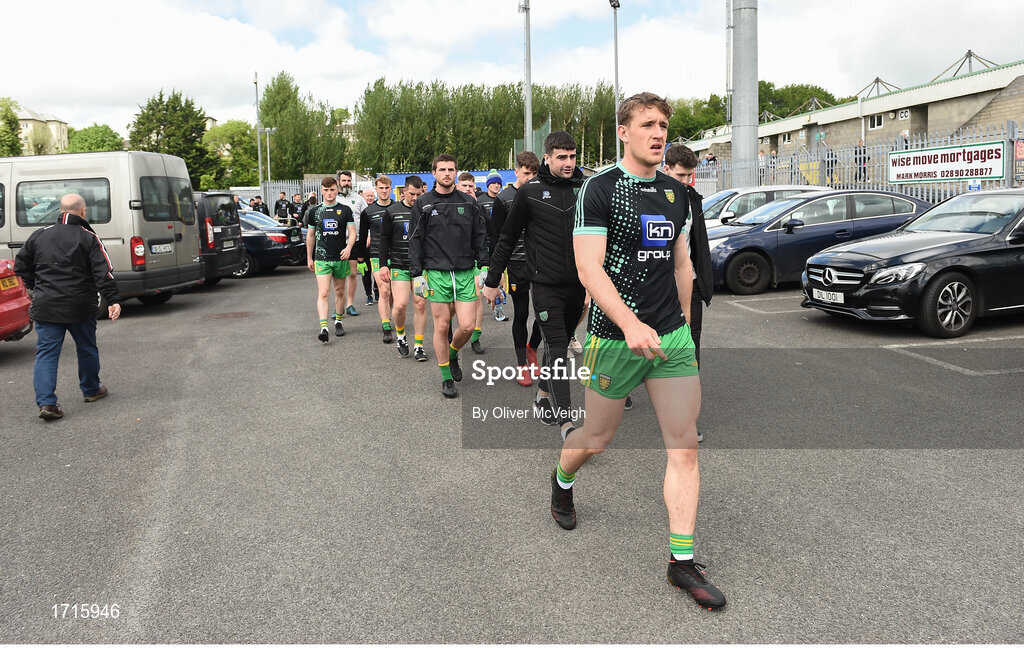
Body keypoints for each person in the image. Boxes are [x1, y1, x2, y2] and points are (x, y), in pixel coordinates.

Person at [550, 92, 725, 610]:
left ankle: (681, 562)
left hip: (669, 336)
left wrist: (685, 332)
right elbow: (589, 268)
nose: (658, 132)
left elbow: (680, 266)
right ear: (623, 131)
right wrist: (629, 325)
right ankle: (562, 479)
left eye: (664, 124)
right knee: (596, 438)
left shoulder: (677, 195)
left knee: (684, 443)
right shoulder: (599, 189)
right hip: (613, 337)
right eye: (648, 123)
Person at [481, 131, 586, 440]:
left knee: (559, 345)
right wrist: (491, 280)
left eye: (572, 156)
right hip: (544, 285)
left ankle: (542, 395)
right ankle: (567, 424)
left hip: (577, 286)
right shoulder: (530, 192)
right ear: (548, 157)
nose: (568, 163)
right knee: (557, 349)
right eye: (562, 157)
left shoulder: (585, 189)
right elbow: (507, 238)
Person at [14, 194, 122, 421]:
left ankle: (47, 403)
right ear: (82, 212)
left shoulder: (38, 235)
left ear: (60, 211)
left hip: (47, 306)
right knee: (86, 348)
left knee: (46, 353)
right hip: (80, 306)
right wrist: (112, 300)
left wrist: (36, 286)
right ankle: (91, 390)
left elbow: (21, 265)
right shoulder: (88, 237)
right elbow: (104, 272)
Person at [409, 154, 489, 399]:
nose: (447, 173)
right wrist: (417, 274)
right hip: (436, 273)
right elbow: (415, 240)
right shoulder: (423, 203)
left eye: (451, 169)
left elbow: (480, 236)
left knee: (466, 325)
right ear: (433, 173)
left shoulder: (468, 201)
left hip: (465, 272)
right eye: (442, 169)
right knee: (442, 326)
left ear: (456, 172)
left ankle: (453, 353)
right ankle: (446, 378)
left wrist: (484, 267)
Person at [663, 144, 713, 444]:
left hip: (689, 284)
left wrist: (704, 281)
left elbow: (699, 243)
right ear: (665, 168)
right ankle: (622, 385)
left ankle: (686, 420)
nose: (685, 181)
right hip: (653, 286)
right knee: (638, 344)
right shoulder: (648, 196)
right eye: (680, 175)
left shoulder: (694, 199)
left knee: (689, 350)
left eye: (690, 176)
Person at [488, 152, 544, 386]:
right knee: (521, 313)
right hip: (516, 264)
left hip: (541, 263)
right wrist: (497, 271)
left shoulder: (543, 194)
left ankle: (532, 348)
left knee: (544, 314)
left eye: (534, 174)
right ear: (516, 172)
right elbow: (497, 238)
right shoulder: (504, 198)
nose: (530, 178)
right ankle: (522, 364)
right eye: (526, 173)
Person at [377, 175, 429, 361]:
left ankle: (419, 346)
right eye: (412, 194)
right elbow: (384, 240)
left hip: (420, 267)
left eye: (419, 194)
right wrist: (383, 265)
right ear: (404, 191)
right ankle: (401, 337)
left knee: (421, 304)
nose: (415, 198)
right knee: (399, 305)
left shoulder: (425, 210)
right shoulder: (392, 212)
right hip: (399, 264)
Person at [305, 176, 356, 343]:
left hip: (340, 257)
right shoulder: (314, 211)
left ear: (337, 190)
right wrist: (309, 257)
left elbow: (353, 232)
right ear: (321, 191)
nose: (329, 193)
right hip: (322, 258)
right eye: (326, 190)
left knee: (340, 292)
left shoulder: (345, 210)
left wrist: (348, 248)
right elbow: (311, 235)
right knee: (324, 292)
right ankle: (324, 327)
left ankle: (339, 321)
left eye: (332, 189)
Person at [359, 175, 395, 343]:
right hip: (375, 255)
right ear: (376, 189)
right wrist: (360, 257)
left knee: (394, 293)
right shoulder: (368, 211)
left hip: (396, 256)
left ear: (391, 188)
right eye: (381, 188)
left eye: (387, 188)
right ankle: (386, 326)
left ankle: (389, 314)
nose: (384, 190)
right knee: (384, 290)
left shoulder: (398, 208)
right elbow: (362, 235)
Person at [457, 172, 487, 354]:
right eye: (465, 186)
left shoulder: (478, 204)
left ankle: (476, 336)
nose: (468, 189)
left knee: (477, 295)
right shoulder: (450, 202)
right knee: (453, 302)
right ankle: (452, 334)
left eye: (471, 186)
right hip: (455, 259)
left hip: (476, 256)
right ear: (458, 186)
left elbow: (486, 229)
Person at [336, 171, 368, 316]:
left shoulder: (359, 199)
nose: (347, 183)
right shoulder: (333, 198)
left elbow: (368, 219)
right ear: (338, 182)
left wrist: (368, 236)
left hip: (355, 241)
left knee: (353, 274)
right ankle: (339, 306)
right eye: (344, 180)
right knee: (339, 275)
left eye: (349, 180)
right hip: (337, 242)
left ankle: (350, 304)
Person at [477, 170, 506, 322]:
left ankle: (499, 307)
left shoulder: (503, 199)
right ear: (488, 185)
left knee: (500, 275)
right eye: (493, 183)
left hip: (499, 243)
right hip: (483, 244)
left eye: (498, 183)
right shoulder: (480, 201)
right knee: (482, 277)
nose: (496, 186)